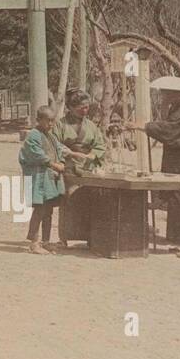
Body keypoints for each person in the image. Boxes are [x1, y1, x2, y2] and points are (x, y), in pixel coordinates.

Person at [136, 79, 180, 258]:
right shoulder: (176, 109)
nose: (163, 96)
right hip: (177, 163)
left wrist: (145, 126)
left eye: (166, 93)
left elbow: (170, 130)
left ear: (176, 93)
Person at [55, 89, 105, 248]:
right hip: (69, 167)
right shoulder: (60, 124)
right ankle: (64, 238)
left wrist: (92, 155)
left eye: (87, 107)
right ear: (70, 107)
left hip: (87, 167)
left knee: (90, 202)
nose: (85, 110)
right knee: (69, 201)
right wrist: (68, 153)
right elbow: (55, 144)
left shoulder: (91, 126)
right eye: (81, 108)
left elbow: (100, 145)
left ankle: (90, 237)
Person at [18, 105, 68, 255]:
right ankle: (34, 243)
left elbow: (59, 150)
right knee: (39, 209)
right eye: (48, 121)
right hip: (38, 177)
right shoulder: (33, 135)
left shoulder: (51, 136)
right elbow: (36, 153)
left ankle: (46, 241)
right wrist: (54, 165)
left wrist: (62, 162)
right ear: (39, 120)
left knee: (49, 210)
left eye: (53, 121)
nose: (51, 124)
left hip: (49, 178)